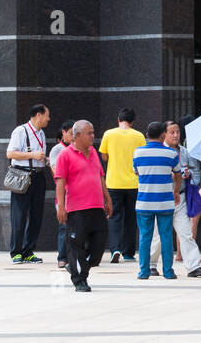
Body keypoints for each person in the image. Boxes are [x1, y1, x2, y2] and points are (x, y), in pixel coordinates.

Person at [54, 120, 113, 293]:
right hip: (76, 209)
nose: (93, 136)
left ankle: (78, 265)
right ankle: (79, 280)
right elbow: (60, 182)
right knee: (76, 245)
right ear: (77, 135)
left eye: (93, 132)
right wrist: (61, 207)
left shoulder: (94, 152)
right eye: (89, 133)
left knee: (99, 245)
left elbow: (100, 177)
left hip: (96, 207)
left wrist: (108, 199)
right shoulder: (65, 155)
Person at [134, 121, 182, 280]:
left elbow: (136, 172)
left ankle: (143, 272)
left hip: (144, 202)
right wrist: (176, 191)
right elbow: (178, 174)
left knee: (145, 237)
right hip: (165, 202)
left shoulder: (138, 153)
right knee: (166, 236)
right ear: (163, 135)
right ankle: (168, 271)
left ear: (147, 135)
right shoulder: (171, 154)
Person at [100, 109, 148, 264]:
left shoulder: (108, 134)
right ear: (133, 121)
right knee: (131, 218)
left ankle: (115, 249)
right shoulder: (139, 136)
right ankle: (128, 252)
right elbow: (142, 157)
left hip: (113, 182)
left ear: (118, 119)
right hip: (134, 183)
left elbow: (104, 156)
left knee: (114, 217)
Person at [6, 104, 51, 265]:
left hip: (38, 176)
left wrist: (46, 160)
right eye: (47, 115)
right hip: (22, 176)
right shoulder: (21, 131)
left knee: (36, 216)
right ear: (38, 115)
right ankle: (16, 252)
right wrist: (32, 154)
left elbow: (39, 156)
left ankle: (28, 250)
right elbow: (10, 153)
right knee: (19, 215)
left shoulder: (42, 133)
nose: (48, 119)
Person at [166, 119, 201, 278]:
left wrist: (188, 176)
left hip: (182, 196)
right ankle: (150, 265)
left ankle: (193, 266)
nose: (176, 135)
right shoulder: (161, 151)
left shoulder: (184, 151)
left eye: (178, 132)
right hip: (164, 197)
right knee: (157, 235)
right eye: (172, 132)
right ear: (165, 134)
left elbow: (191, 170)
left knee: (186, 232)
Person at [48, 121, 74, 269]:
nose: (73, 136)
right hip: (63, 192)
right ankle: (62, 257)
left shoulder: (82, 148)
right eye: (71, 133)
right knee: (64, 225)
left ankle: (76, 256)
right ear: (63, 133)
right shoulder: (57, 150)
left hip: (79, 192)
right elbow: (56, 172)